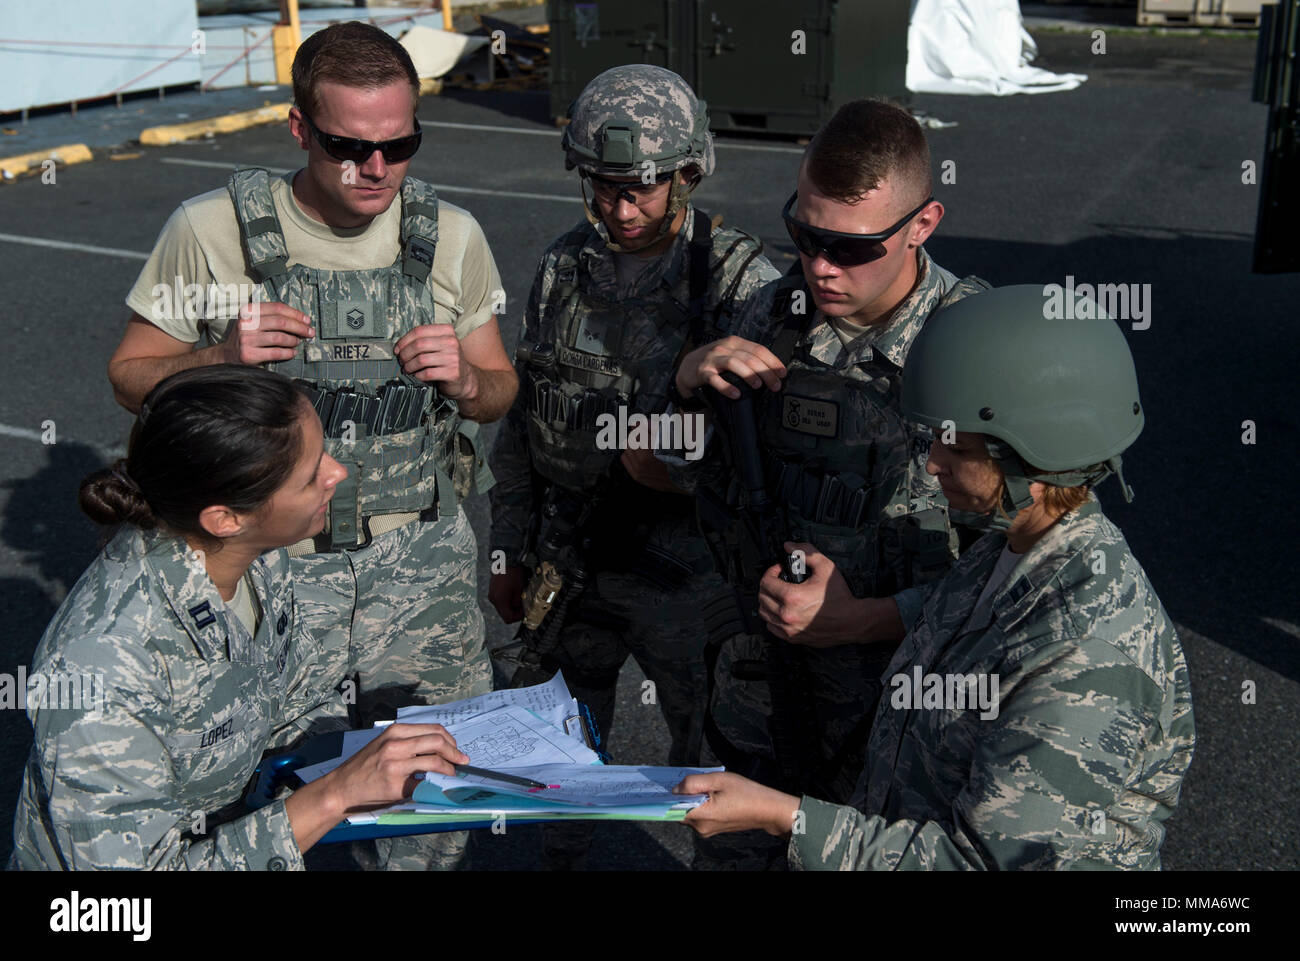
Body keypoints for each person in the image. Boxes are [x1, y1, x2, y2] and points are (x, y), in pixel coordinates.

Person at [105, 21, 517, 870]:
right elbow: (128, 374)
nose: (376, 170)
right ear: (300, 128)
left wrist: (468, 385)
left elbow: (501, 384)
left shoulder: (453, 237)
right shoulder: (212, 229)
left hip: (421, 559)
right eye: (348, 146)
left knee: (433, 794)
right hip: (273, 565)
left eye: (399, 146)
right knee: (264, 785)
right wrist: (217, 357)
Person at [676, 284, 1197, 870]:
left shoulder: (1085, 655)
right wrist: (852, 619)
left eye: (953, 443)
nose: (931, 462)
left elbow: (976, 864)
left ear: (1031, 453)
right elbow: (961, 622)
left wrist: (784, 816)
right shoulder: (1014, 547)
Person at [669, 99, 987, 868]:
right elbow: (674, 471)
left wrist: (866, 618)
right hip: (761, 699)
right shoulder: (774, 312)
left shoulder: (976, 347)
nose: (819, 267)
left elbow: (1030, 567)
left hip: (904, 723)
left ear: (923, 223)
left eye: (851, 248)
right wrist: (683, 382)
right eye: (804, 235)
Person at [486, 64, 780, 869]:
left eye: (642, 190)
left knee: (712, 772)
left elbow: (764, 451)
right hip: (569, 565)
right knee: (559, 758)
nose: (620, 209)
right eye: (603, 187)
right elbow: (523, 423)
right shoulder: (562, 267)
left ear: (689, 172)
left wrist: (671, 462)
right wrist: (509, 548)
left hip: (687, 583)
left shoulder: (737, 281)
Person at [9, 365, 474, 870]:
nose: (337, 473)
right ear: (226, 518)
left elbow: (283, 696)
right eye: (312, 471)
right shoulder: (105, 671)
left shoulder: (257, 555)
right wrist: (331, 796)